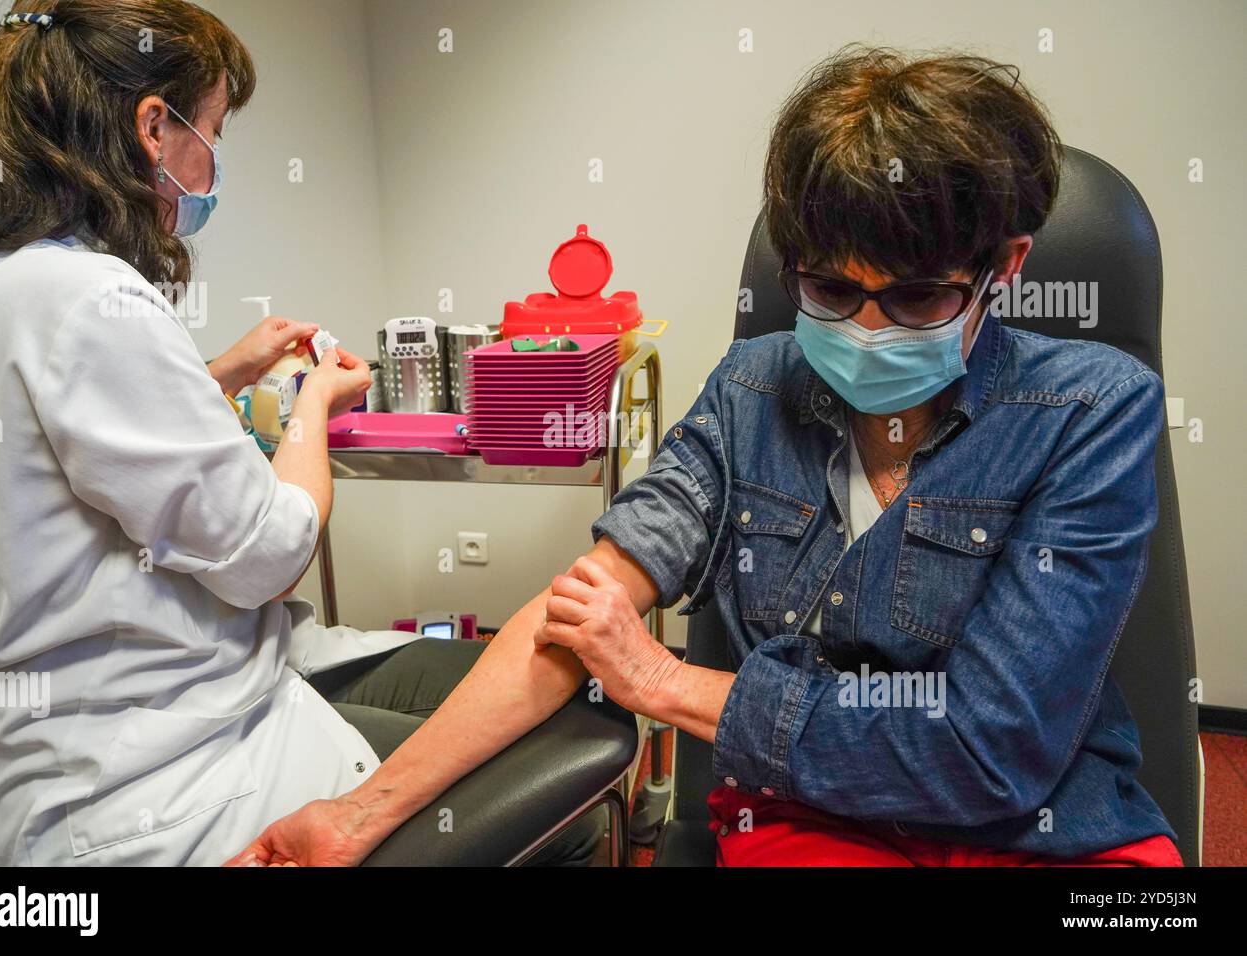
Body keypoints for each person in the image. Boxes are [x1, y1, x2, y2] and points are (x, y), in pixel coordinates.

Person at [231, 46, 1182, 867]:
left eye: (918, 298)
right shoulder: (753, 389)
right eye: (828, 288)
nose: (866, 328)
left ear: (1004, 268)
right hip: (816, 822)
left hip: (1047, 832)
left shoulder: (1091, 409)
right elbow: (578, 614)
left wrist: (660, 682)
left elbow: (992, 749)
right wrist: (354, 820)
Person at [0, 0, 601, 866]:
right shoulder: (92, 298)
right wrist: (315, 406)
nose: (213, 164)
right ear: (154, 126)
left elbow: (62, 453)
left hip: (75, 763)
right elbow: (269, 551)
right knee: (572, 778)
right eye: (211, 132)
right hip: (172, 786)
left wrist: (214, 376)